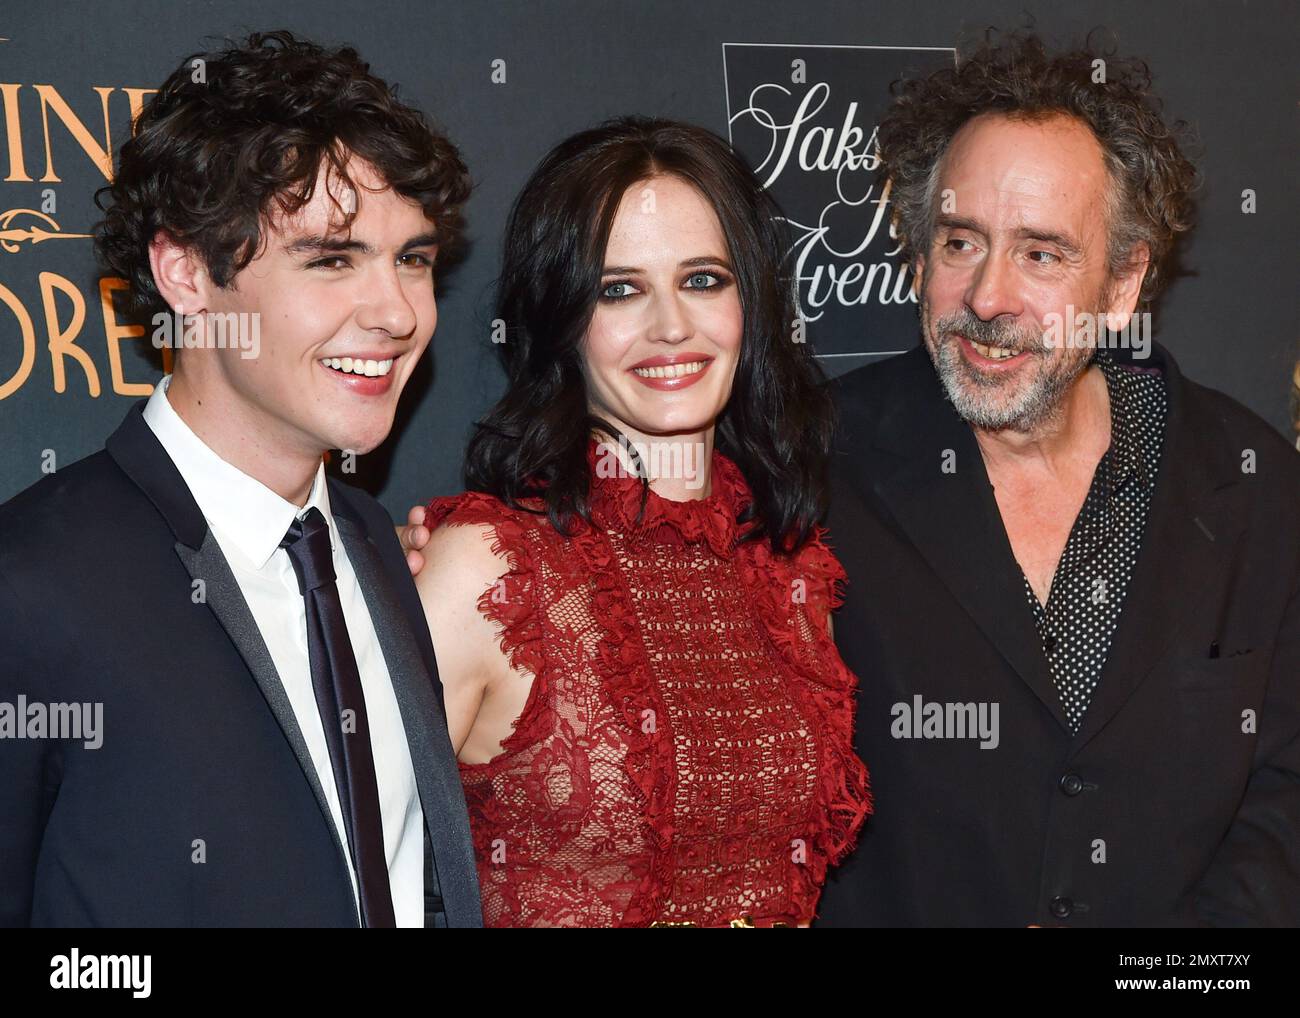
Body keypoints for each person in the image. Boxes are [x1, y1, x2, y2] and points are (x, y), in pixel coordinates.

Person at [815, 31, 1300, 926]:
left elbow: (1283, 805)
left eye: (1041, 254)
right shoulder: (808, 471)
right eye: (961, 242)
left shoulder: (1253, 484)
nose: (989, 295)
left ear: (1122, 285)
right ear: (919, 256)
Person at [0, 31, 481, 927]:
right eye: (332, 257)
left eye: (412, 259)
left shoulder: (375, 544)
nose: (397, 312)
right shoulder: (30, 584)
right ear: (185, 271)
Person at [406, 117, 872, 926]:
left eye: (703, 280)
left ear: (750, 303)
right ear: (563, 321)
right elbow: (348, 878)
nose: (671, 328)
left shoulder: (788, 568)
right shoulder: (487, 567)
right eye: (618, 290)